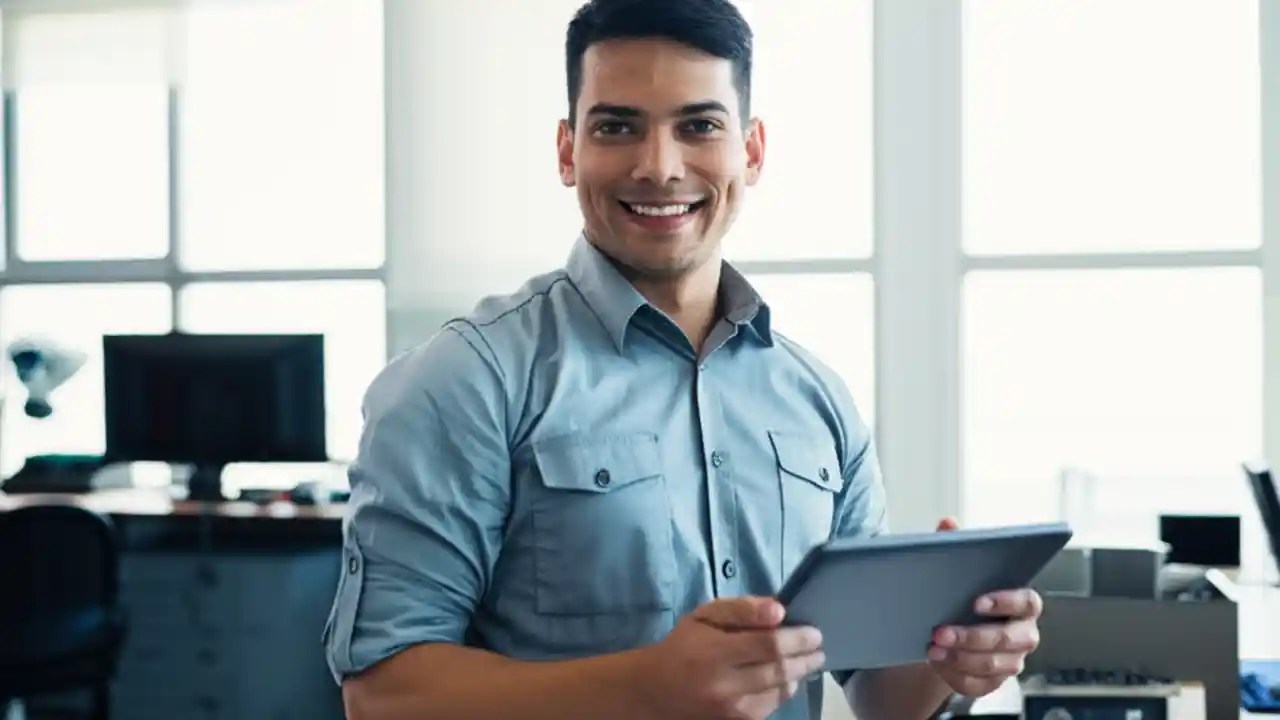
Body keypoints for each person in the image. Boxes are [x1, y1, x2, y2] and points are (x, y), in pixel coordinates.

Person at [323, 0, 1044, 718]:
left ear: (751, 151)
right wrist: (646, 688)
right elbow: (384, 694)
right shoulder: (466, 380)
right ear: (568, 150)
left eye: (698, 126)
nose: (659, 168)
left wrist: (953, 657)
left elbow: (877, 696)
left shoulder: (817, 400)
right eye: (617, 127)